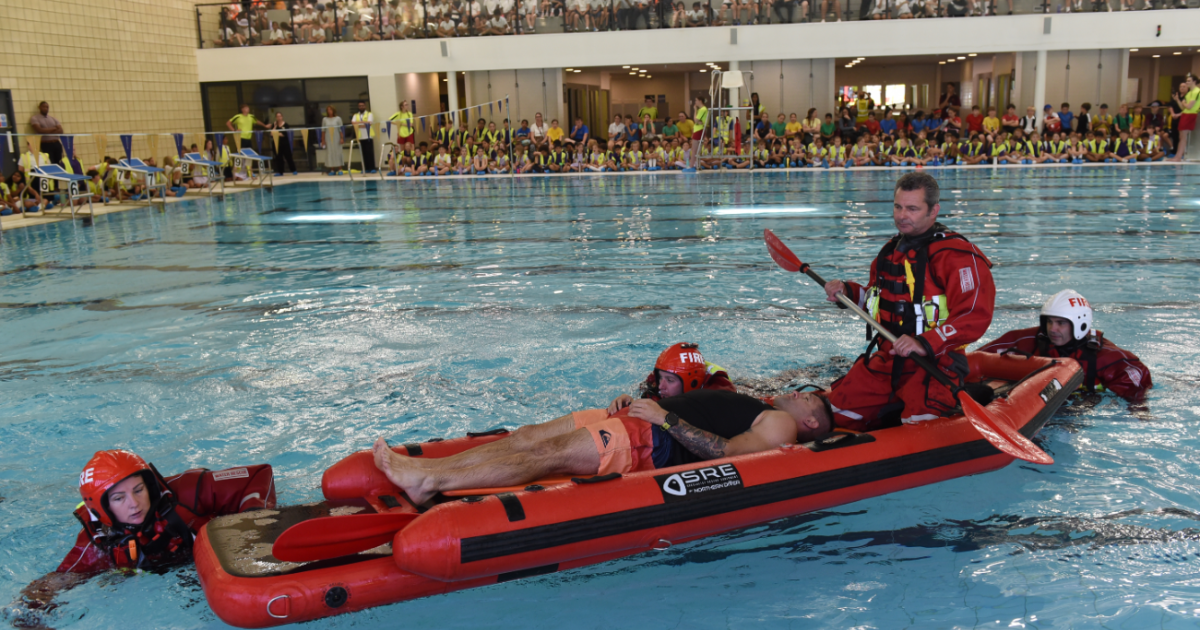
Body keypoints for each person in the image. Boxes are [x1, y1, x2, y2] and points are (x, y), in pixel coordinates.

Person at [373, 387, 832, 503]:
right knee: (526, 436)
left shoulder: (782, 426)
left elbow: (731, 456)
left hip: (651, 438)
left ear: (810, 422)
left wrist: (666, 418)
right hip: (639, 417)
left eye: (808, 398)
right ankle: (434, 470)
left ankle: (429, 481)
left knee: (543, 454)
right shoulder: (763, 405)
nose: (799, 392)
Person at [822, 172, 996, 431]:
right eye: (898, 207)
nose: (902, 215)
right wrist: (847, 292)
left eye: (912, 209)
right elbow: (877, 302)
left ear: (933, 211)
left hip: (936, 364)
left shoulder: (957, 256)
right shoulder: (890, 252)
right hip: (889, 359)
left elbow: (974, 315)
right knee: (835, 414)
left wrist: (925, 343)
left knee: (919, 423)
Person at [16, 450, 274, 614]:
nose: (135, 503)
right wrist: (29, 612)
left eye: (139, 490)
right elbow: (59, 580)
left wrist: (250, 528)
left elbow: (259, 475)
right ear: (102, 508)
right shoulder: (99, 542)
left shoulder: (186, 491)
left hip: (219, 554)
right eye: (119, 498)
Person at [978, 290, 1152, 402]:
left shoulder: (1109, 359)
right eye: (1049, 322)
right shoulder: (1023, 341)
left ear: (1080, 324)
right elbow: (975, 361)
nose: (1052, 329)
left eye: (1060, 323)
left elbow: (1138, 401)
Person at [1170, 75, 1198, 162]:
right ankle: (1178, 156)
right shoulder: (1189, 93)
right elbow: (1183, 108)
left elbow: (1189, 106)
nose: (1187, 82)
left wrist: (1184, 103)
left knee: (1183, 136)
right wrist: (1178, 100)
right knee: (1181, 136)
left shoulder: (1196, 91)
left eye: (1189, 81)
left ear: (1194, 81)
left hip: (1190, 114)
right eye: (1187, 81)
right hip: (1185, 114)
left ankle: (1178, 156)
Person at [30, 101, 65, 165]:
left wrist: (47, 131)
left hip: (56, 143)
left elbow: (61, 131)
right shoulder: (35, 118)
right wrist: (54, 128)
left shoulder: (53, 119)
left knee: (59, 162)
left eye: (47, 107)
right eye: (44, 107)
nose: (45, 108)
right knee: (50, 162)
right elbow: (39, 130)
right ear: (39, 107)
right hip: (46, 144)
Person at [352, 101, 378, 173]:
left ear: (365, 106)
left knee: (370, 153)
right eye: (360, 106)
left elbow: (369, 124)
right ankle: (366, 168)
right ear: (358, 107)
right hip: (360, 137)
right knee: (363, 154)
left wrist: (358, 124)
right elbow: (353, 123)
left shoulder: (369, 114)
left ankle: (372, 168)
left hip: (368, 136)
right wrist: (364, 123)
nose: (361, 107)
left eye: (362, 105)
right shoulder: (355, 115)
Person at [321, 105, 345, 175]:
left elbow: (341, 129)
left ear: (333, 110)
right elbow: (323, 130)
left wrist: (342, 138)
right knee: (330, 153)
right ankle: (332, 170)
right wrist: (323, 140)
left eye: (330, 110)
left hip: (337, 137)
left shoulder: (338, 118)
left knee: (338, 152)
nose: (329, 111)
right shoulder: (325, 119)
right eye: (328, 110)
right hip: (328, 138)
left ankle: (340, 169)